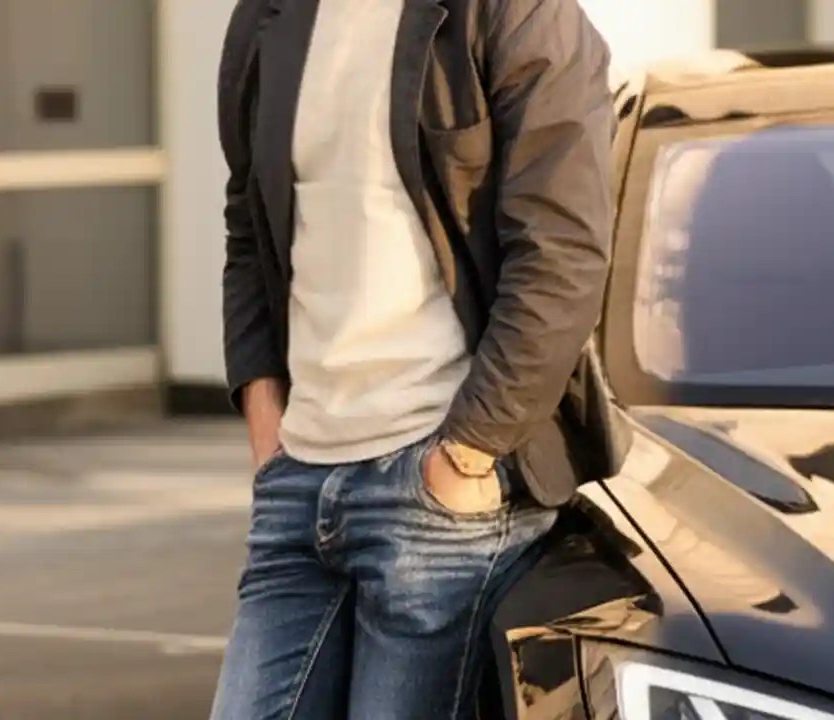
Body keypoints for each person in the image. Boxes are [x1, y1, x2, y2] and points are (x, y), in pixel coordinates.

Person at [211, 0, 619, 717]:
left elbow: (562, 255)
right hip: (300, 474)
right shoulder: (267, 16)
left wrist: (469, 449)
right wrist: (263, 413)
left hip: (441, 490)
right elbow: (249, 224)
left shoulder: (514, 13)